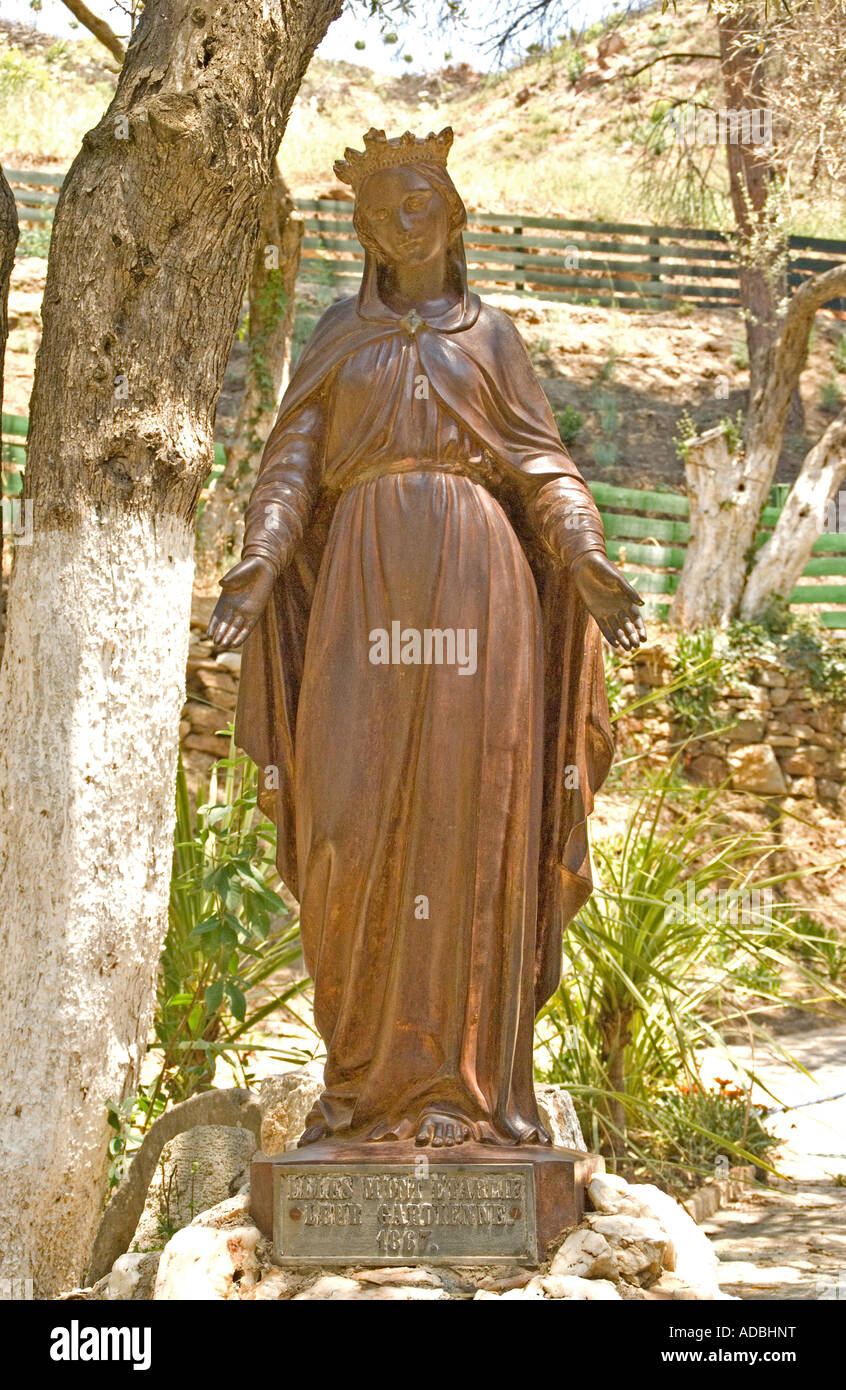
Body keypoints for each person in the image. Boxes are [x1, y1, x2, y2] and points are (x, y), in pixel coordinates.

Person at [208, 127, 646, 1149]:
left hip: (479, 599)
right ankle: (358, 1085)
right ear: (361, 233)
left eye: (418, 204)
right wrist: (264, 559)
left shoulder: (492, 340)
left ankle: (466, 1092)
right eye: (378, 212)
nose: (399, 224)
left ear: (455, 219)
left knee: (471, 823)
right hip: (359, 594)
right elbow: (292, 467)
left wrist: (583, 557)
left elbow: (545, 470)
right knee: (344, 826)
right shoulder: (338, 334)